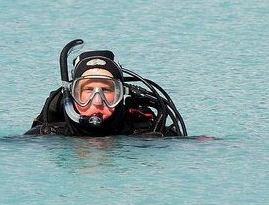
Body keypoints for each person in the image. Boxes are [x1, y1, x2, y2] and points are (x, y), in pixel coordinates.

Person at [24, 39, 189, 137]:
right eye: (88, 90)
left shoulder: (146, 134)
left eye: (107, 90)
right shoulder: (48, 136)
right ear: (72, 94)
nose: (97, 101)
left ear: (121, 93)